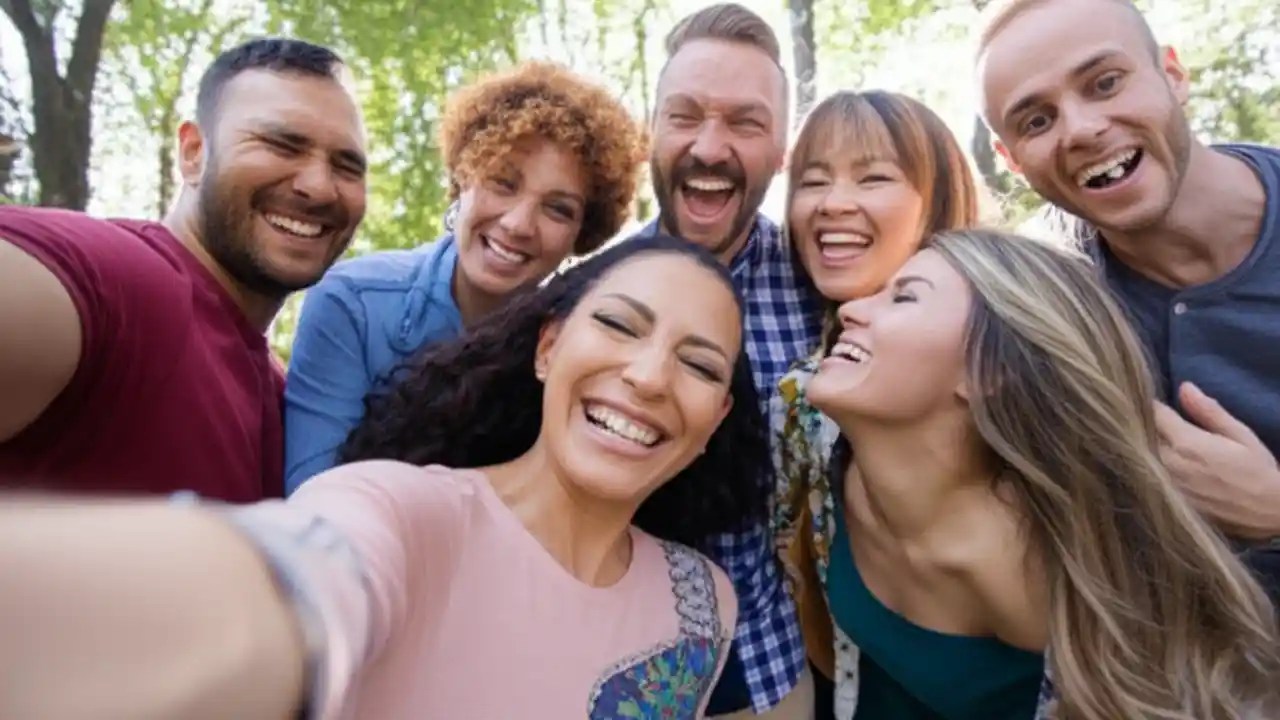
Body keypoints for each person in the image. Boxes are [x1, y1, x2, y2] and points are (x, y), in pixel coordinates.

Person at [0, 234, 772, 719]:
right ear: (547, 348)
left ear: (714, 422)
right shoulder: (402, 511)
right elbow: (305, 570)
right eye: (618, 325)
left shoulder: (705, 603)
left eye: (698, 363)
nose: (647, 375)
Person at [772, 229, 1280, 719]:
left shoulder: (1072, 581)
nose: (851, 309)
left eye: (904, 299)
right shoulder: (805, 427)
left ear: (990, 370)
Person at [974, 0, 1280, 582]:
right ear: (1011, 159)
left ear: (1173, 74)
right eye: (1037, 121)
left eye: (1105, 83)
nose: (1083, 129)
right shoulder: (1036, 297)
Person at [0, 38, 366, 501]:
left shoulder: (290, 400)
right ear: (193, 152)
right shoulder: (118, 281)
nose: (319, 186)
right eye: (281, 145)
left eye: (347, 166)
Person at [283, 61, 646, 492]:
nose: (517, 224)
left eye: (557, 209)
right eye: (502, 183)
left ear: (582, 233)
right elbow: (312, 496)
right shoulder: (354, 304)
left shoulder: (579, 347)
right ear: (462, 178)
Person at [773, 89, 981, 718]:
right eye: (812, 181)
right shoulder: (804, 392)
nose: (834, 202)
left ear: (935, 197)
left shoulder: (1005, 361)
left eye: (874, 177)